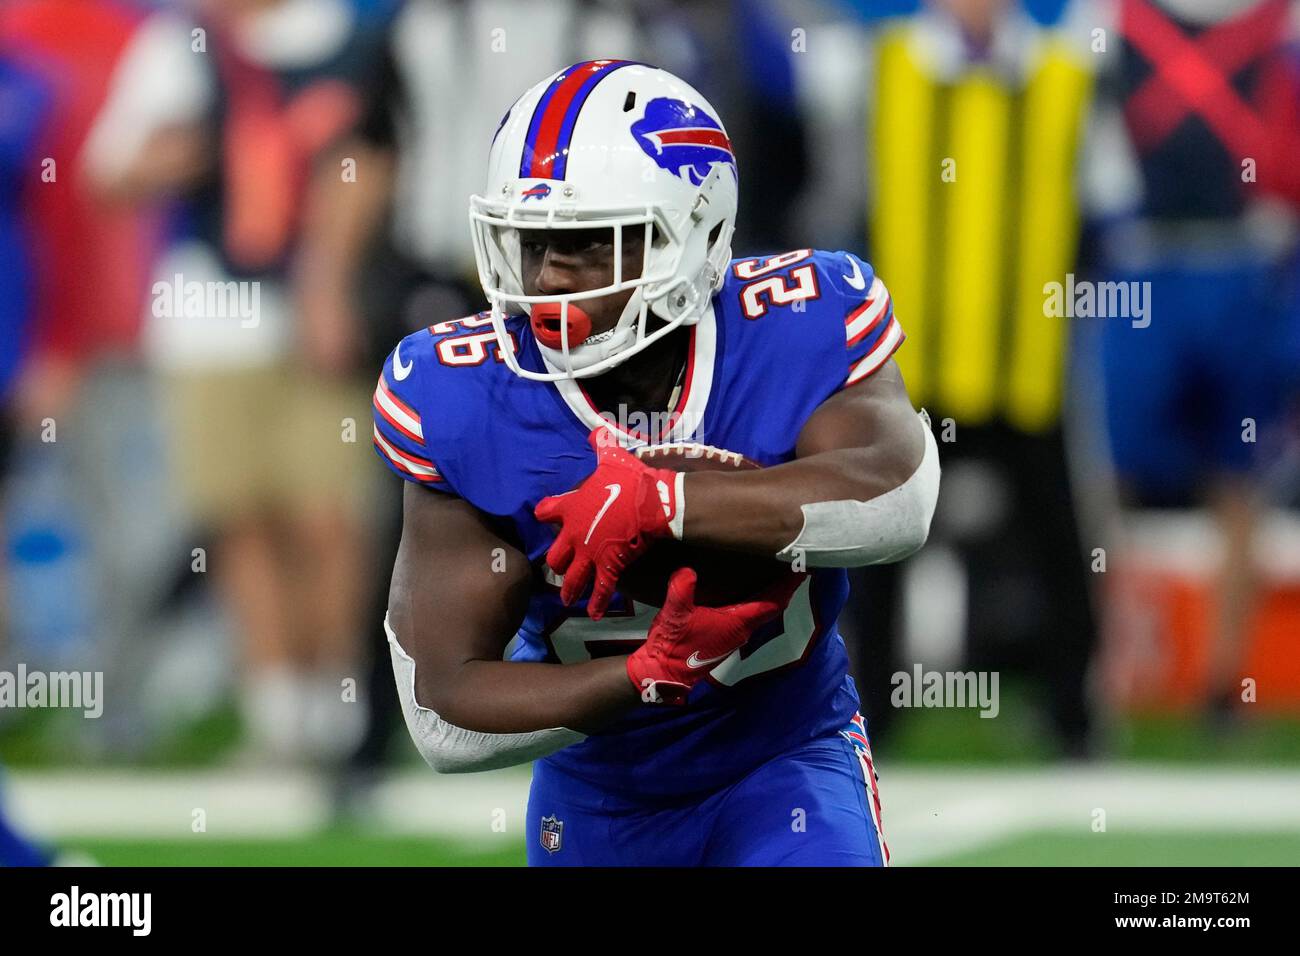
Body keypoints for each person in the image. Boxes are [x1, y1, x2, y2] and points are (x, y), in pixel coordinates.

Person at [375, 60, 940, 866]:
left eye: (588, 246)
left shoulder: (795, 322)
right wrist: (640, 676)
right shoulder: (465, 395)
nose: (548, 282)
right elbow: (443, 713)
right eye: (532, 245)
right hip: (600, 796)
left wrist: (665, 503)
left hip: (785, 759)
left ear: (695, 236)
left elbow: (902, 498)